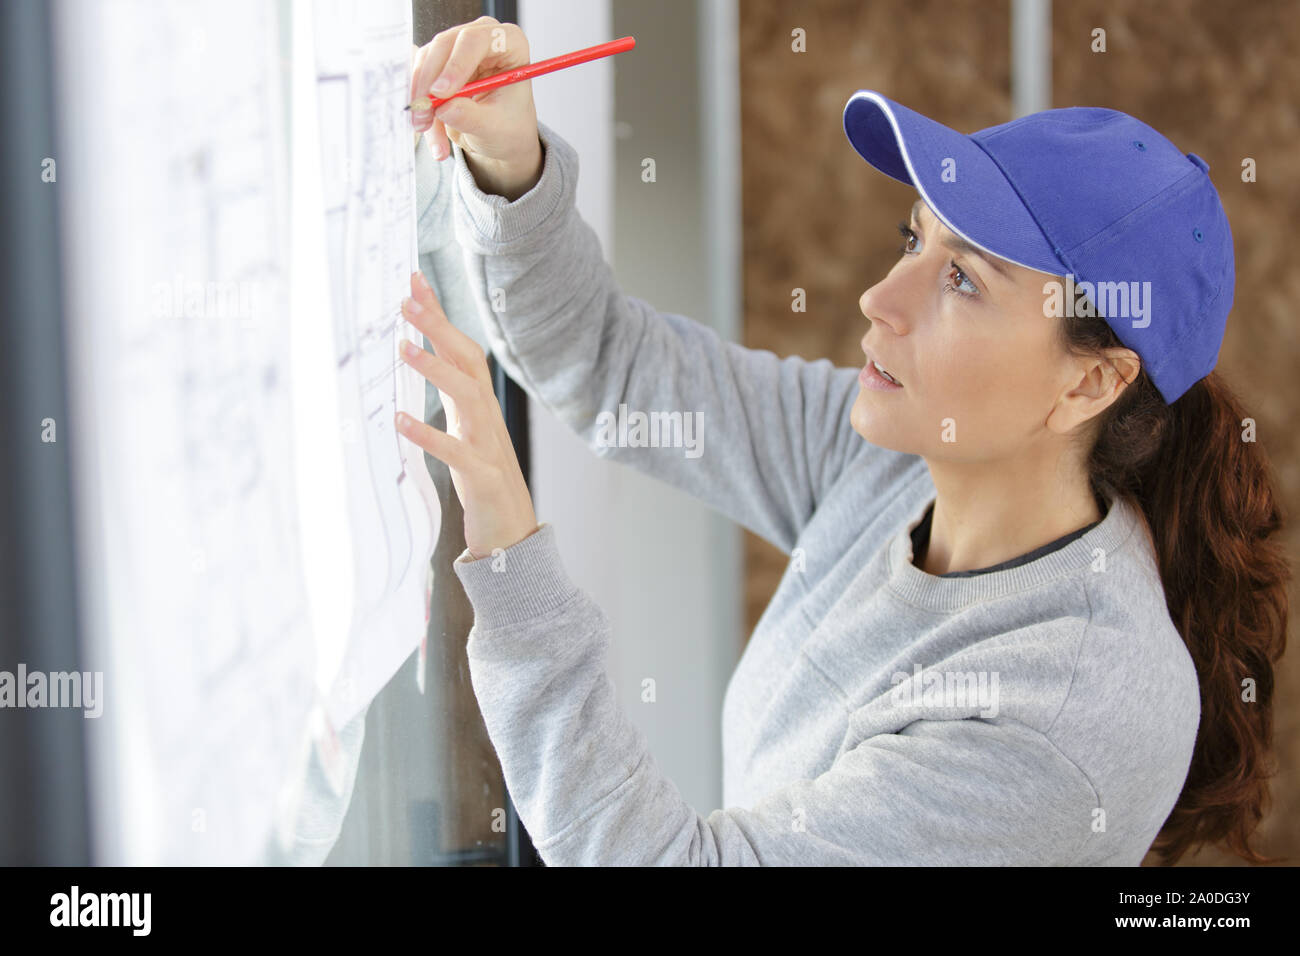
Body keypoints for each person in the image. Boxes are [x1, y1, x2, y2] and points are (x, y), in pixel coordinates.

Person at [392, 16, 1289, 865]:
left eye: (964, 281)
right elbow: (613, 369)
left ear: (1090, 382)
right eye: (914, 239)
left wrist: (512, 561)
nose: (881, 298)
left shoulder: (1057, 718)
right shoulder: (898, 464)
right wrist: (513, 164)